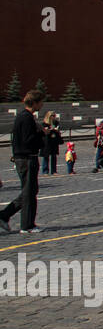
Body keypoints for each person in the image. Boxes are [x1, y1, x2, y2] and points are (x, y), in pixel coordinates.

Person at [2, 90, 46, 234]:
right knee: (29, 192)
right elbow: (28, 140)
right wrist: (41, 134)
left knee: (31, 191)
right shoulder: (26, 118)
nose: (42, 105)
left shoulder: (24, 116)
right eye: (40, 102)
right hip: (27, 158)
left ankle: (4, 215)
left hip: (24, 158)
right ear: (34, 102)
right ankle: (26, 225)